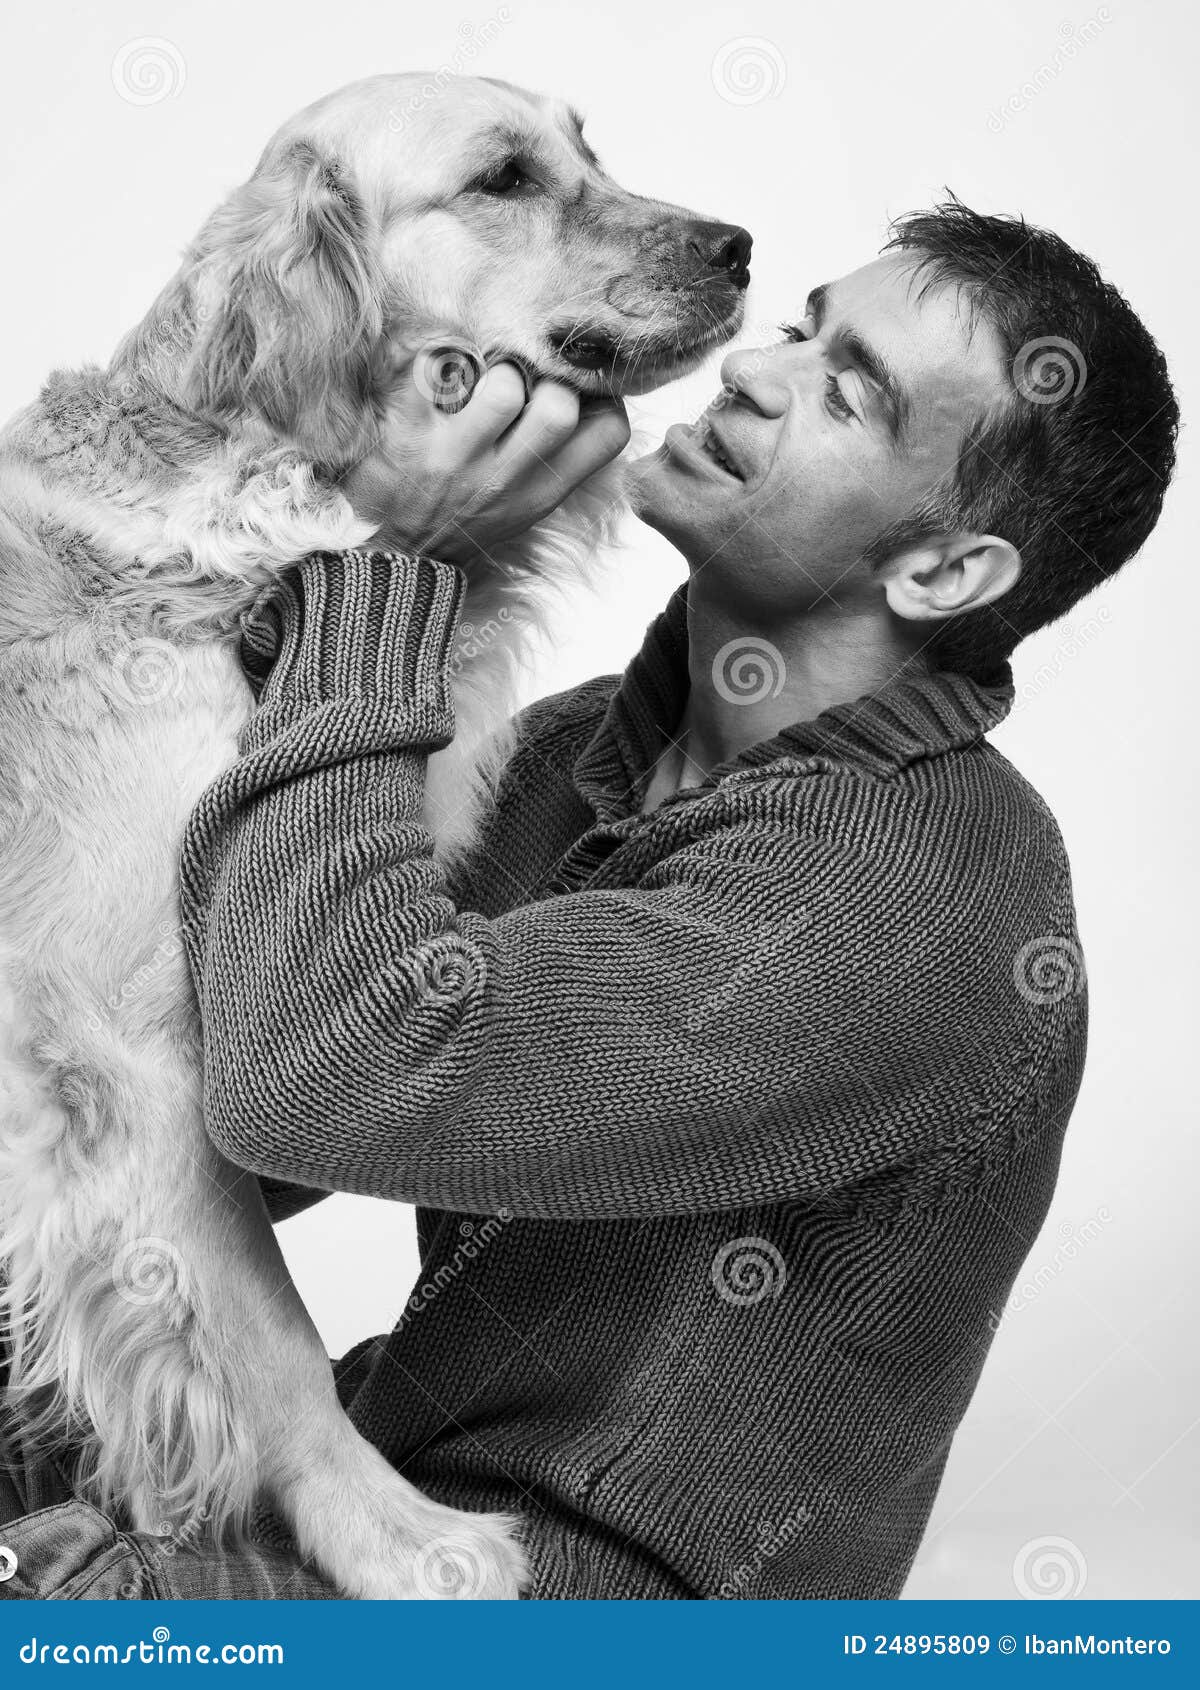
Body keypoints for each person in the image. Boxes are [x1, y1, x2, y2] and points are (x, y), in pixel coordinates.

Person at [0, 200, 1177, 1600]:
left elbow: (320, 1079)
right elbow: (218, 1102)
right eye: (802, 328)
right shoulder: (573, 757)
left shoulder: (917, 891)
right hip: (394, 1513)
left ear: (942, 570)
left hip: (577, 1598)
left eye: (846, 389)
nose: (755, 367)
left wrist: (402, 573)